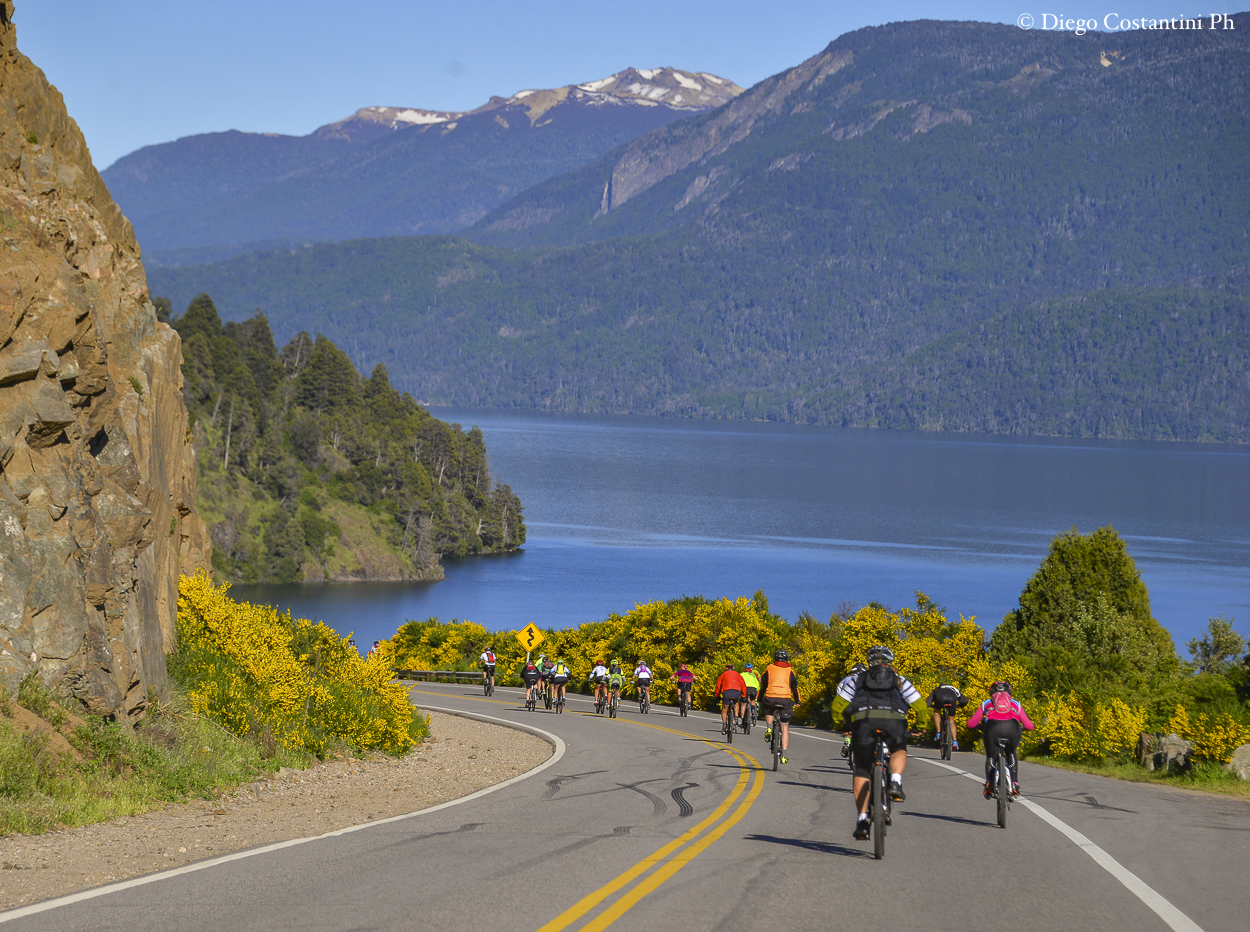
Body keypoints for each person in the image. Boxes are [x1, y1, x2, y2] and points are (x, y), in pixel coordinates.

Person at [831, 645, 928, 841]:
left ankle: (862, 820)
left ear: (869, 662)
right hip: (894, 721)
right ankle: (895, 781)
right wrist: (921, 725)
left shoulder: (858, 679)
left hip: (864, 722)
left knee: (861, 771)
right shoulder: (899, 680)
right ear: (890, 661)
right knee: (899, 749)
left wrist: (840, 725)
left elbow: (837, 705)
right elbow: (920, 705)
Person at [966, 681, 1035, 797]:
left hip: (992, 729)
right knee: (1011, 752)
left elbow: (970, 724)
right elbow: (1029, 726)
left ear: (991, 692)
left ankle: (989, 783)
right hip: (1012, 729)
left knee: (991, 755)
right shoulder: (1015, 703)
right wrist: (1022, 728)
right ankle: (1014, 783)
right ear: (1009, 691)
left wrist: (981, 727)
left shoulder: (987, 703)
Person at [759, 649, 802, 764]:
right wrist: (797, 701)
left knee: (769, 712)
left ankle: (769, 727)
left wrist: (760, 698)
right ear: (786, 659)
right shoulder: (790, 670)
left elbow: (763, 685)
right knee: (785, 727)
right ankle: (784, 754)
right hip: (786, 699)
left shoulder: (769, 668)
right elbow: (794, 687)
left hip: (771, 697)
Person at [835, 663, 867, 759]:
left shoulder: (845, 680)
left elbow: (838, 693)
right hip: (862, 707)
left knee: (848, 725)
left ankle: (847, 742)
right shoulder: (868, 681)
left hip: (847, 706)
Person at [927, 681, 969, 750]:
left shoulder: (937, 689)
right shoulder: (954, 689)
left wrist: (931, 706)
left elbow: (928, 702)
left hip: (940, 698)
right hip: (952, 698)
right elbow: (965, 700)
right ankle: (955, 742)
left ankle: (938, 733)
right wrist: (960, 705)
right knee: (951, 720)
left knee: (936, 712)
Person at [714, 664, 746, 735]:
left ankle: (724, 724)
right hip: (736, 692)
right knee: (736, 702)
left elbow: (718, 686)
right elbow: (743, 685)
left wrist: (717, 696)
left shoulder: (723, 675)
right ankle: (736, 718)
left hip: (727, 692)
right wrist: (743, 695)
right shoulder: (738, 675)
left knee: (724, 709)